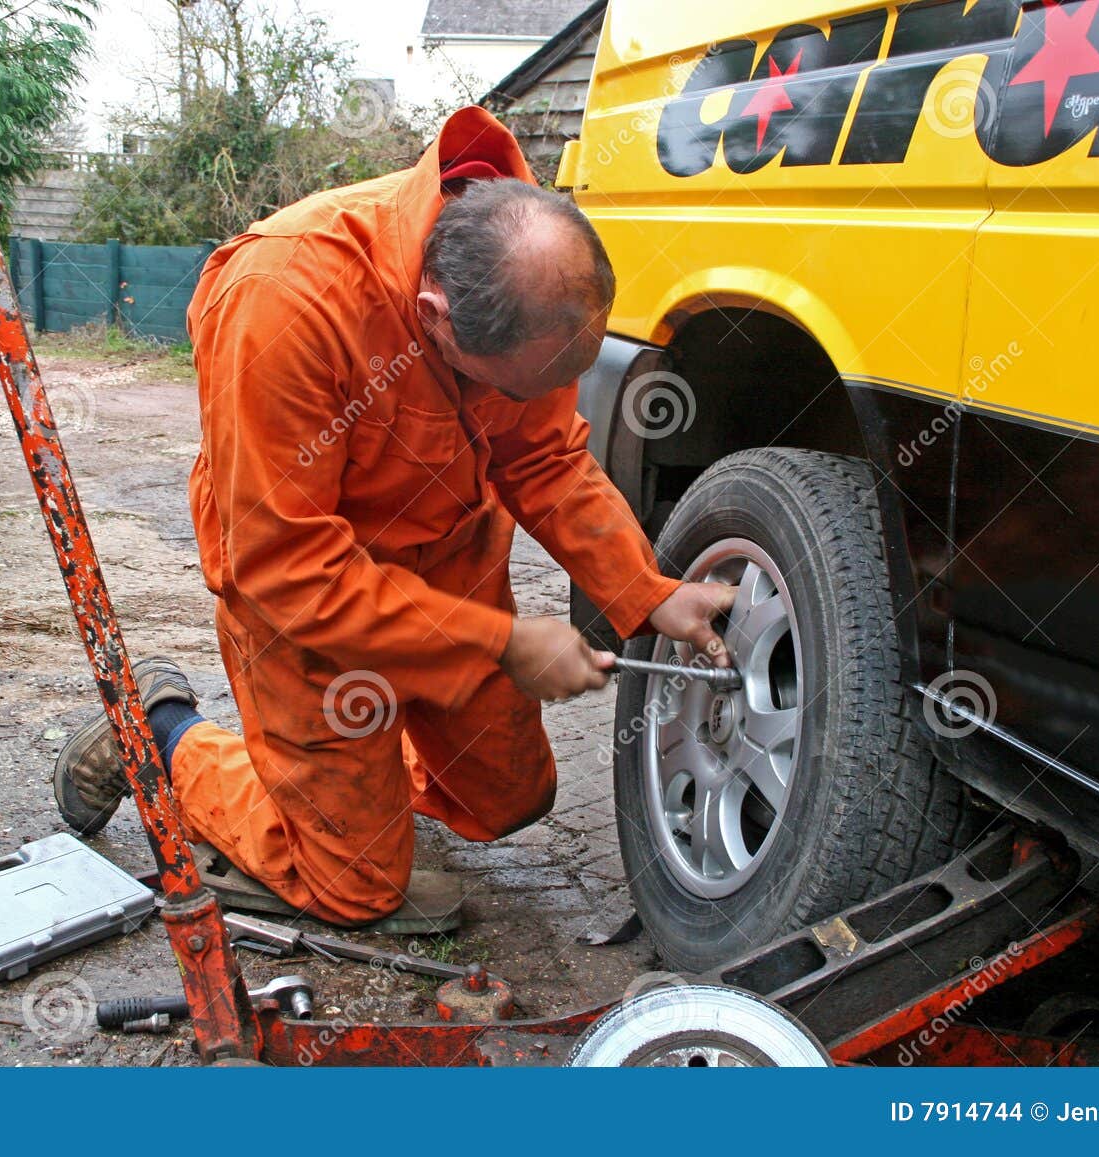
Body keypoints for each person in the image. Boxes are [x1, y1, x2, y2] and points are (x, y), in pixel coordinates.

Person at [55, 107, 733, 926]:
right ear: (437, 318)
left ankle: (354, 781)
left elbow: (545, 455)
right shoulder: (283, 302)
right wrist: (501, 643)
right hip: (311, 606)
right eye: (512, 387)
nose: (526, 400)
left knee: (512, 797)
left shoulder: (538, 284)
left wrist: (647, 589)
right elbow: (284, 567)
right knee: (356, 885)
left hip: (449, 558)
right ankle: (162, 732)